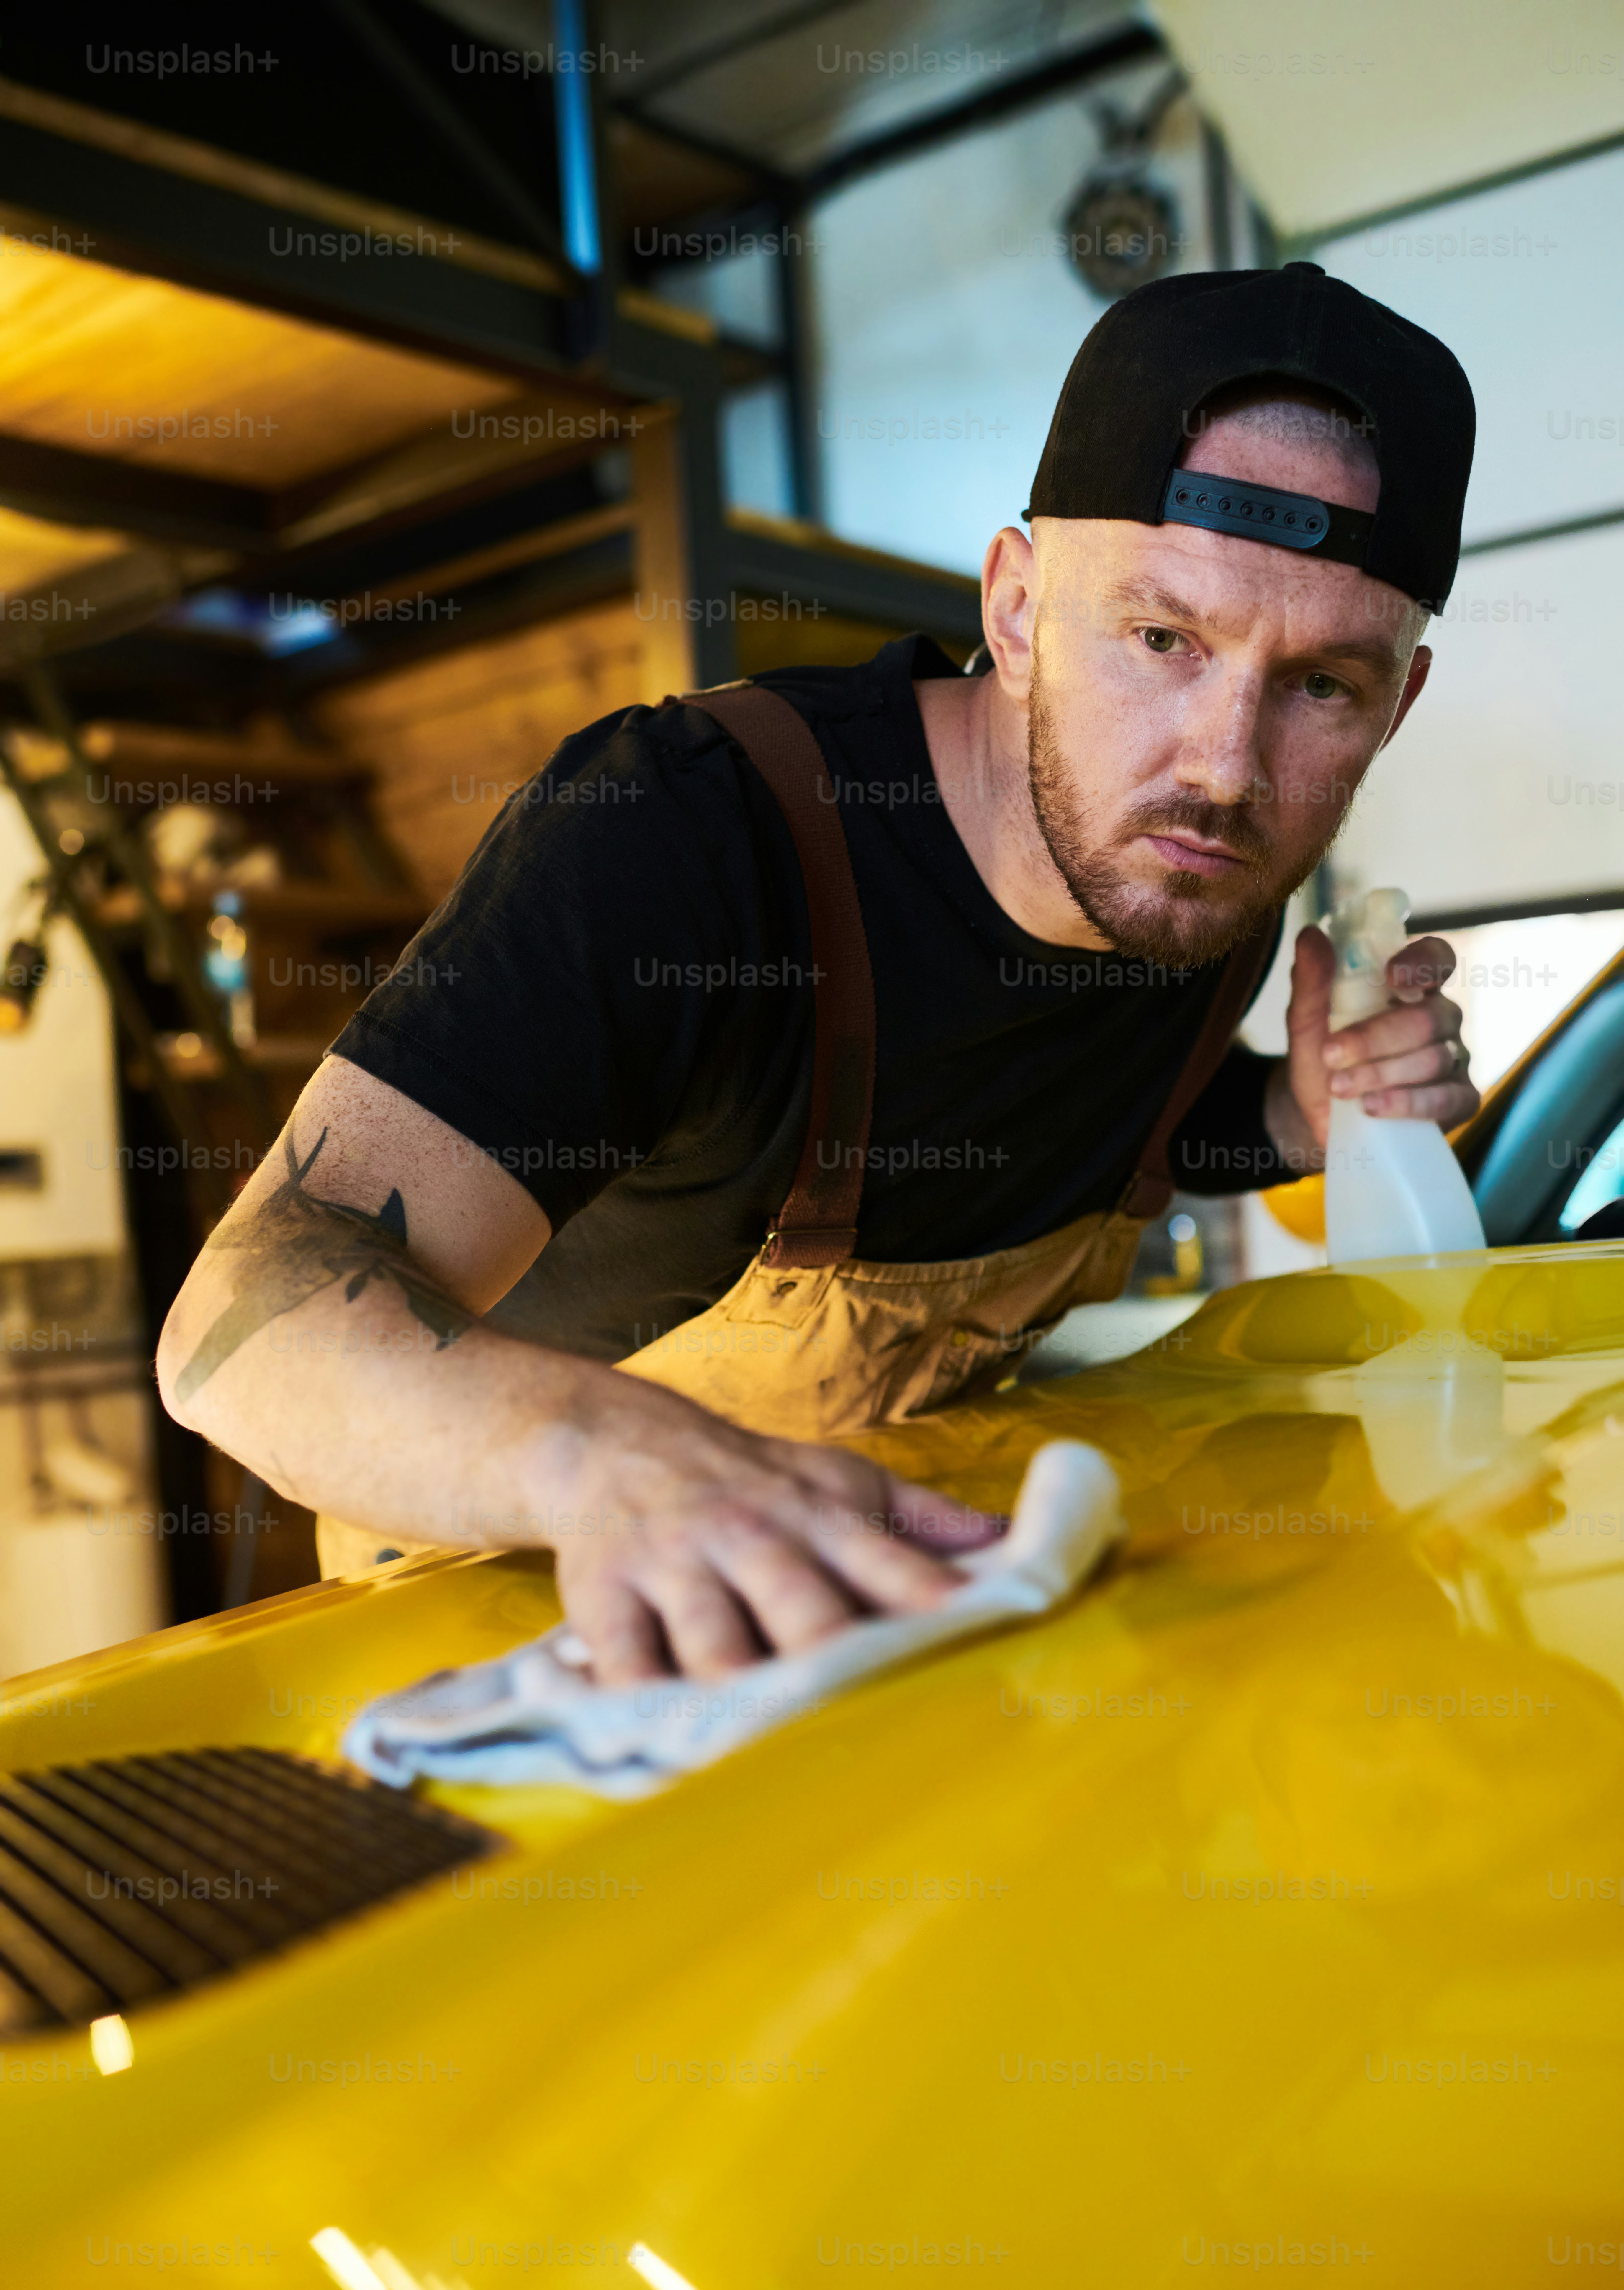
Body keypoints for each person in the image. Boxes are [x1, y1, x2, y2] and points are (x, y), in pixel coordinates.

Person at [158, 262, 1480, 1680]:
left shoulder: (1190, 885)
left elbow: (1075, 1115)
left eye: (1320, 687)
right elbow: (247, 1320)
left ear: (1393, 704)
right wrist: (605, 1458)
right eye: (1162, 638)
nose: (1222, 765)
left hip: (884, 1638)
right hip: (519, 1646)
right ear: (1019, 606)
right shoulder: (687, 839)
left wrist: (1289, 1115)